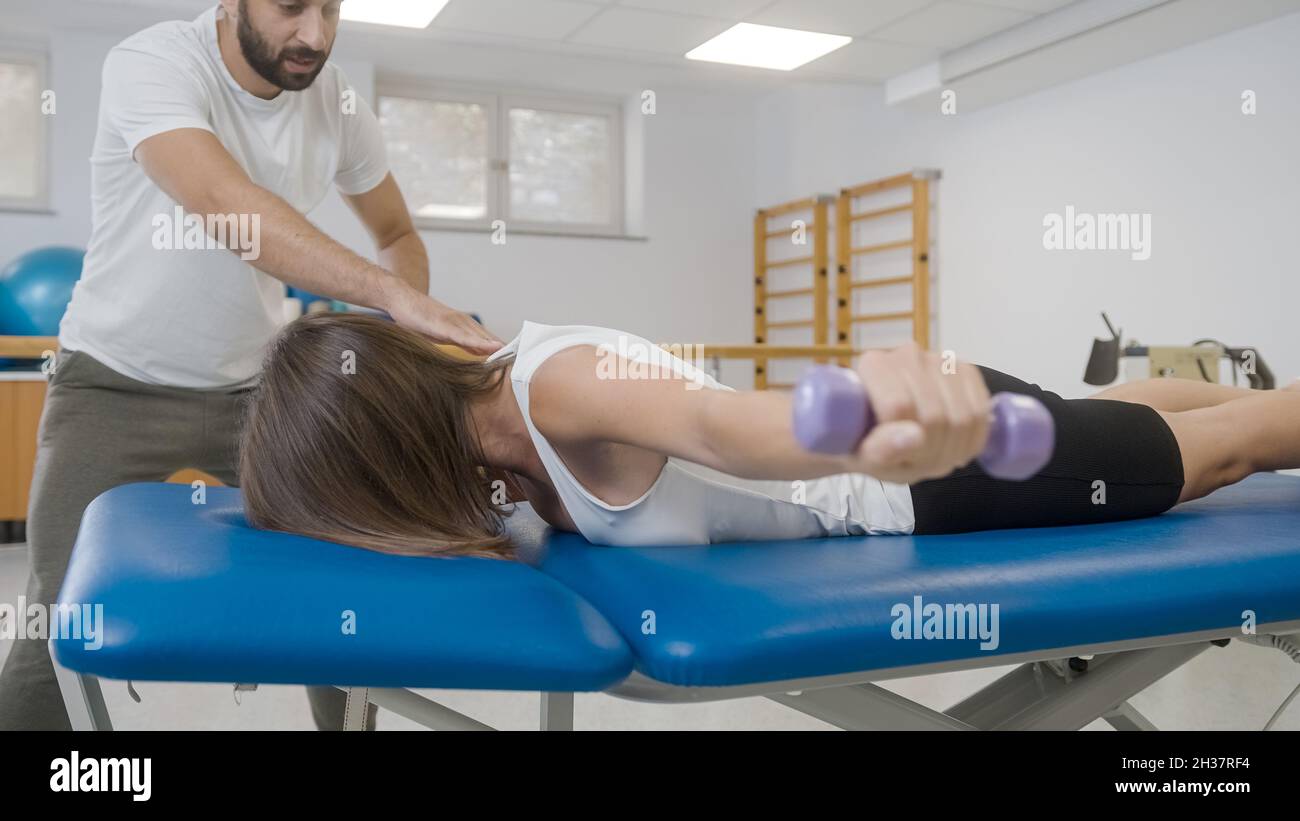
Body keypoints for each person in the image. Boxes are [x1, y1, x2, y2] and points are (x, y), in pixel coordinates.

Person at [0, 0, 500, 731]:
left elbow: (395, 230)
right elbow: (224, 203)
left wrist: (393, 321)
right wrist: (390, 292)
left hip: (256, 392)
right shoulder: (155, 64)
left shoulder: (336, 104)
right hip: (110, 383)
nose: (316, 36)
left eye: (331, 10)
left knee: (340, 587)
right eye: (292, 7)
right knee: (57, 616)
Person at [237, 312, 1299, 559]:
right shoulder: (483, 463)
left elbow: (726, 427)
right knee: (1126, 416)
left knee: (1237, 447)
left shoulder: (553, 391)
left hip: (935, 472)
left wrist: (875, 418)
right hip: (932, 445)